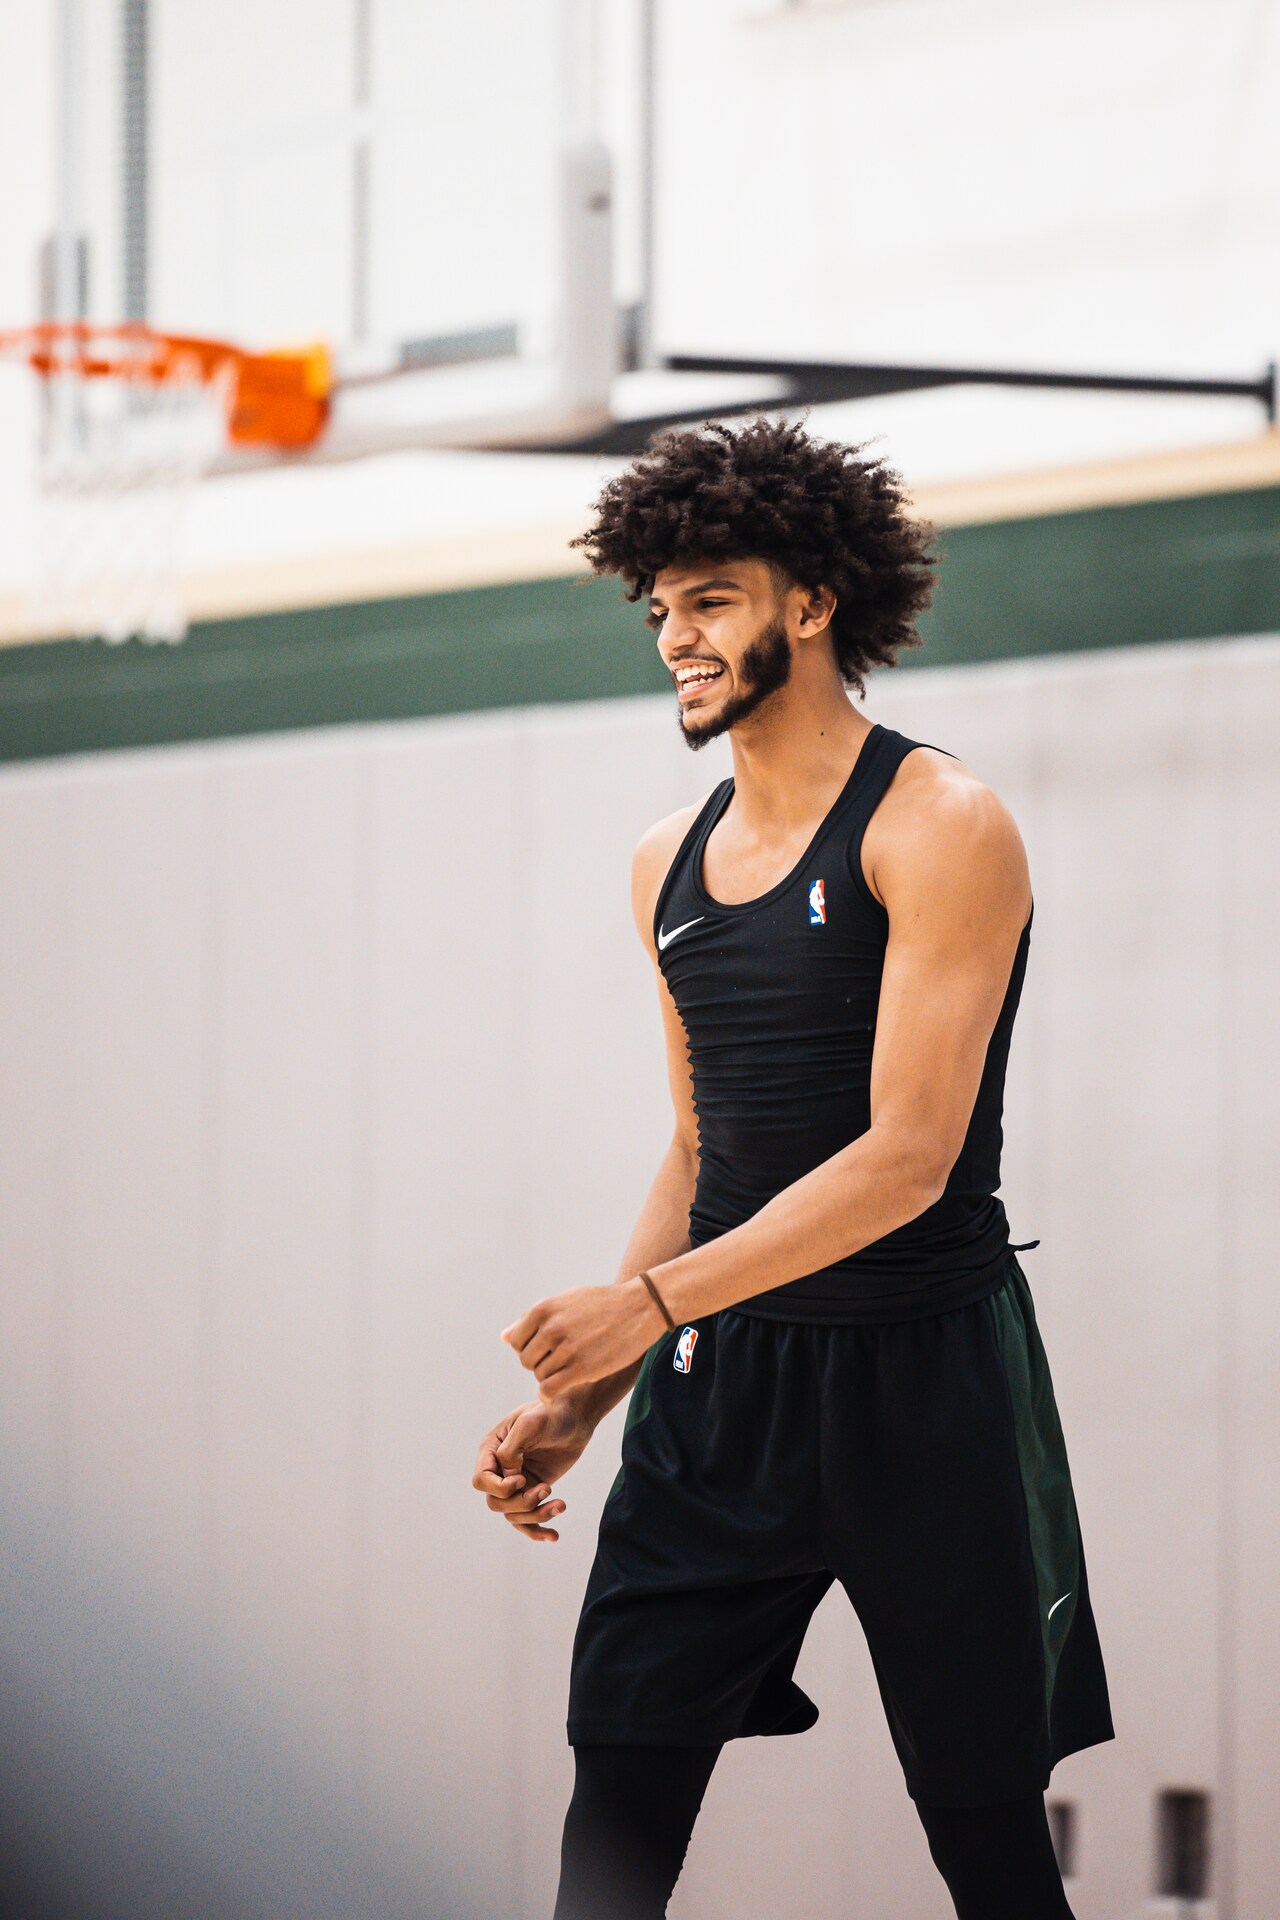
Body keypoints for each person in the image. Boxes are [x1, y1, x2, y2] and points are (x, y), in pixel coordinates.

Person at [472, 418, 1113, 1919]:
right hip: (725, 1387)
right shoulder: (662, 861)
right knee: (615, 1820)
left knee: (989, 1842)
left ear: (809, 603)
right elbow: (702, 1146)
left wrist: (646, 1303)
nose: (673, 638)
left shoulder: (941, 821)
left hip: (928, 1385)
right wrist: (583, 1394)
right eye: (660, 609)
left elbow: (906, 1160)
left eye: (709, 600)